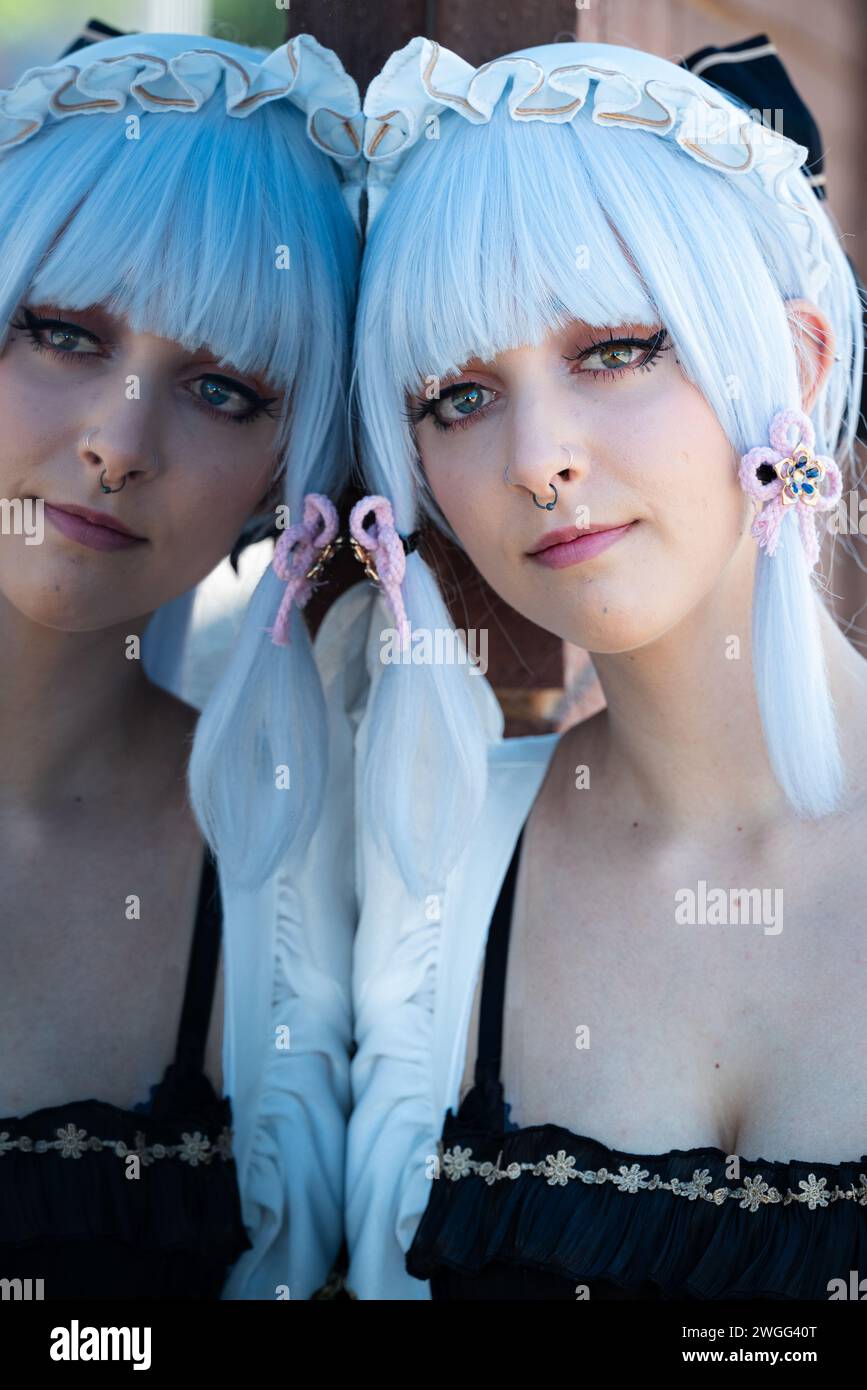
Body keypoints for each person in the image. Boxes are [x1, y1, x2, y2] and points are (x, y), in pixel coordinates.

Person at [343, 37, 867, 1298]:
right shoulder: (426, 872)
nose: (539, 455)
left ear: (799, 365)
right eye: (461, 396)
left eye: (618, 350)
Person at [0, 29, 360, 1299]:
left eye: (219, 390)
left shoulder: (289, 876)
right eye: (61, 333)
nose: (118, 442)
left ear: (287, 472)